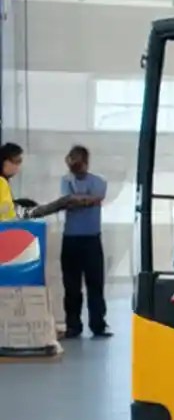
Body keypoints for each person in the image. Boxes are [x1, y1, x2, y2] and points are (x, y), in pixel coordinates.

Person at [60, 145, 111, 338]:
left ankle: (98, 325)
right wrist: (85, 200)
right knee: (71, 286)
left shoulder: (98, 181)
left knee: (95, 284)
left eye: (79, 163)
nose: (75, 167)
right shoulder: (66, 180)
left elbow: (97, 198)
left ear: (86, 162)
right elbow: (68, 201)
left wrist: (78, 200)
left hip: (91, 239)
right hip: (71, 239)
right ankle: (73, 326)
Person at [0, 143, 23, 221]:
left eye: (20, 161)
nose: (17, 166)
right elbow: (5, 208)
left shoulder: (4, 182)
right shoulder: (2, 182)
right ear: (3, 161)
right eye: (16, 161)